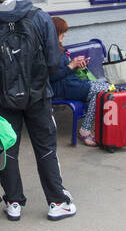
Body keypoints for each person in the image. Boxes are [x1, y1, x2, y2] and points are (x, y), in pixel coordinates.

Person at [0, 0, 75, 222]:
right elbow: (55, 62)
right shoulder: (41, 18)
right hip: (38, 95)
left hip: (4, 97)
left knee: (8, 146)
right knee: (45, 147)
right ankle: (56, 201)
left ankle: (13, 201)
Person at [48, 16, 112, 146]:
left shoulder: (58, 47)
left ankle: (86, 129)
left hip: (72, 84)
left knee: (106, 89)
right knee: (105, 90)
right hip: (63, 88)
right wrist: (71, 66)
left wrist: (76, 64)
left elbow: (66, 69)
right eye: (62, 31)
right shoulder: (49, 51)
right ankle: (86, 130)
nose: (64, 35)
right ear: (55, 32)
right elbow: (50, 77)